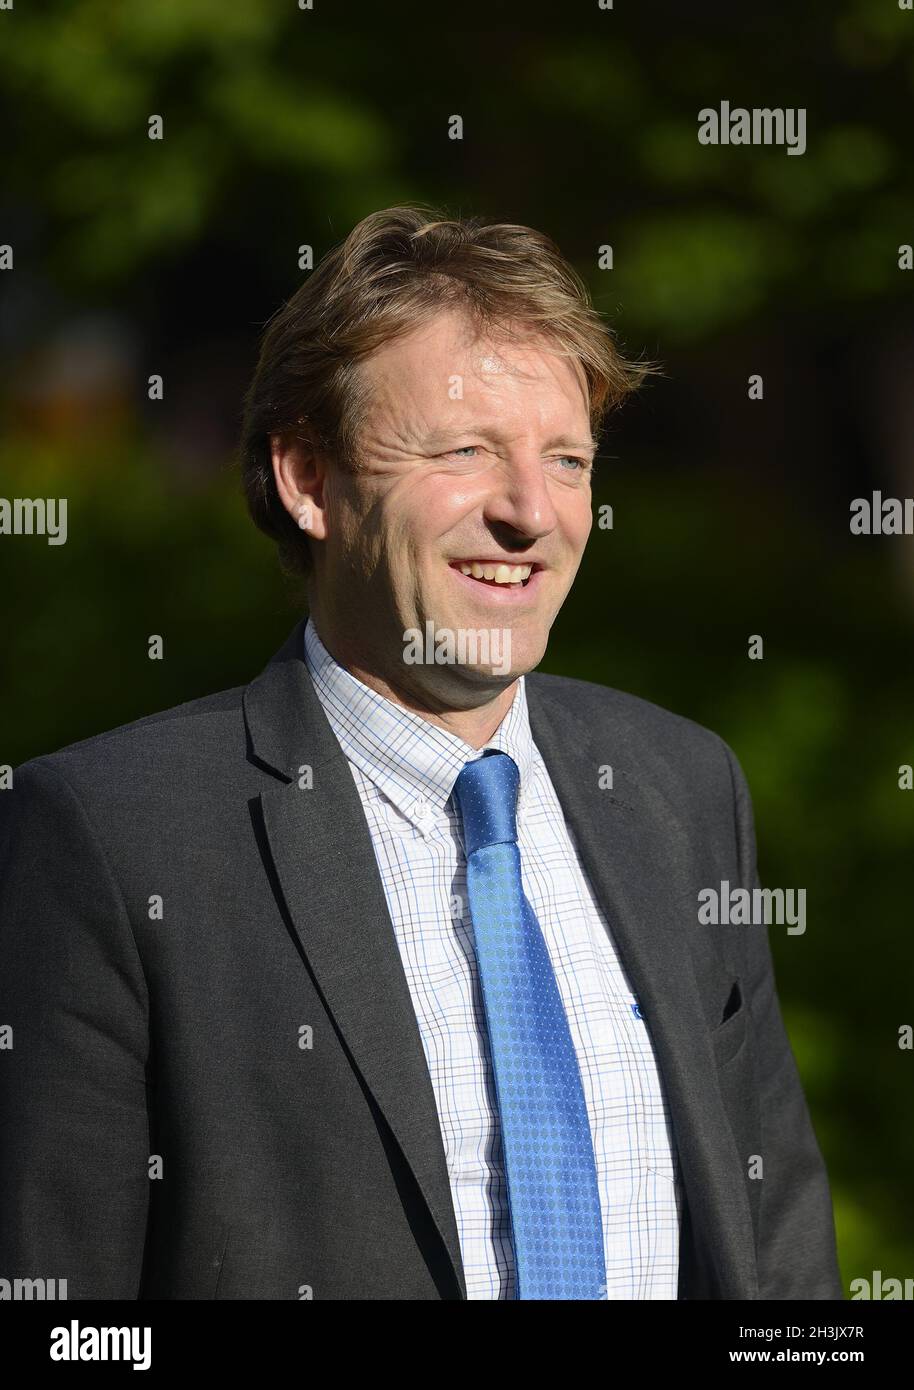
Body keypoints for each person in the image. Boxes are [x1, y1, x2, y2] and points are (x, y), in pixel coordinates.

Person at [0, 205, 842, 1300]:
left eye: (567, 458)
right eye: (464, 451)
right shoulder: (115, 835)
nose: (531, 512)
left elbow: (776, 1253)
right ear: (306, 476)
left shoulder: (677, 787)